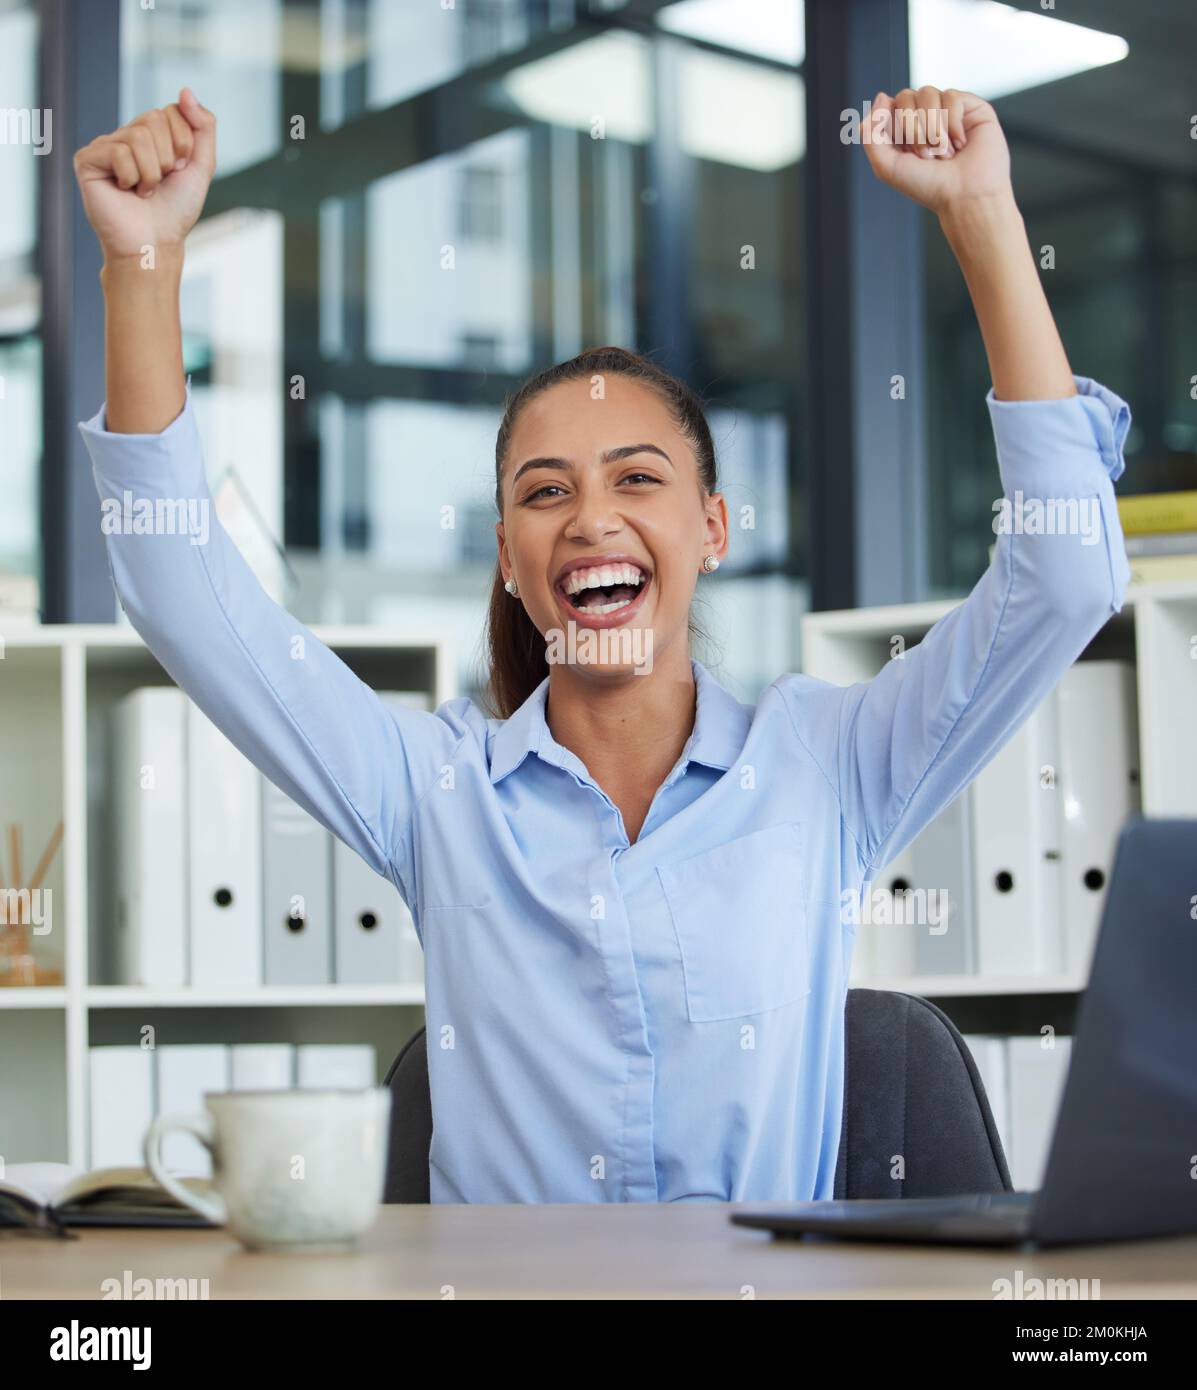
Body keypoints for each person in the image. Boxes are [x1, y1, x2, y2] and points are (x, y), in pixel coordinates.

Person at [73, 85, 1131, 1204]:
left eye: (637, 478)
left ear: (712, 529)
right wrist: (140, 267)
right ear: (509, 555)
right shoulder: (437, 793)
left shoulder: (830, 764)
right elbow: (182, 589)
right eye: (545, 493)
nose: (591, 519)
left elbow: (1063, 575)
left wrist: (982, 214)